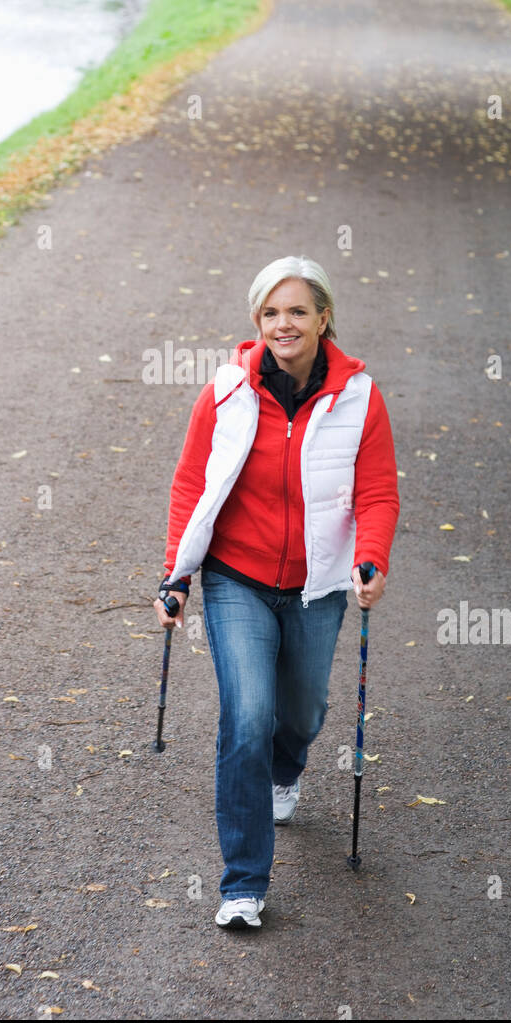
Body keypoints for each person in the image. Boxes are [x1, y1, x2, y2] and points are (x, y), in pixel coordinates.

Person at [153, 256, 400, 931]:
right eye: (270, 313)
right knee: (249, 716)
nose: (282, 324)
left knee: (302, 711)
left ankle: (287, 770)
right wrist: (177, 575)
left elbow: (377, 493)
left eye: (296, 311)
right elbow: (189, 485)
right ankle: (242, 884)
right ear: (256, 322)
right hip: (237, 578)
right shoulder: (227, 392)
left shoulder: (360, 397)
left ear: (324, 317)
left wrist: (371, 558)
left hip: (320, 585)